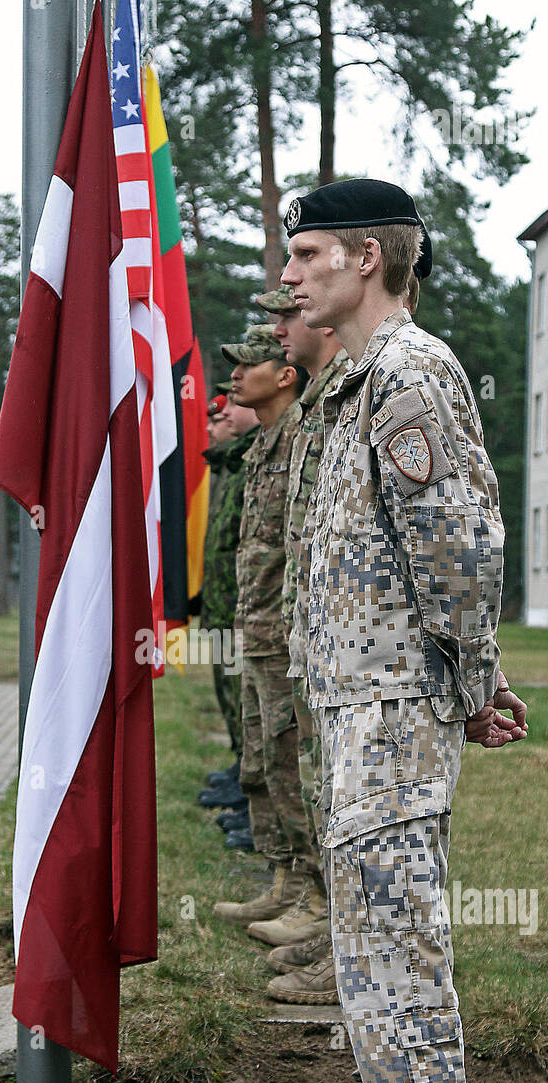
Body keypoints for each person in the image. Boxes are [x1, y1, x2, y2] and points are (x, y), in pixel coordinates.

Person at [275, 178, 528, 1083]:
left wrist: (474, 681)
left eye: (308, 253)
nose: (289, 274)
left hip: (392, 713)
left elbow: (458, 553)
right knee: (367, 958)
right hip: (356, 707)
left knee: (397, 964)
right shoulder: (361, 381)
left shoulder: (410, 375)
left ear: (369, 257)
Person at [212, 324, 321, 924]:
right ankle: (283, 878)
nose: (234, 374)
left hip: (283, 639)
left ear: (284, 375)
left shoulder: (302, 438)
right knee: (258, 765)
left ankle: (312, 892)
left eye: (247, 363)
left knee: (289, 766)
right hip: (255, 633)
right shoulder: (262, 448)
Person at [198, 387, 260, 847]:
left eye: (223, 415)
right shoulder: (231, 467)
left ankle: (252, 794)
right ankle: (245, 777)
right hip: (225, 609)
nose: (216, 425)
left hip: (244, 613)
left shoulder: (249, 462)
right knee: (232, 696)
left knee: (248, 704)